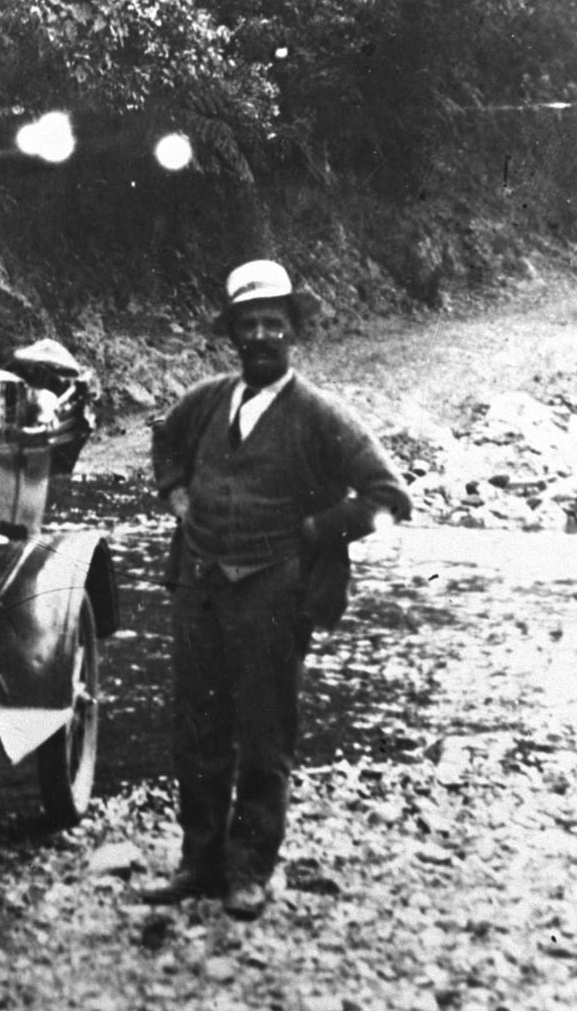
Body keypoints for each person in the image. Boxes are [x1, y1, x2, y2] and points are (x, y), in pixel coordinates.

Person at [143, 260, 412, 919]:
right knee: (196, 730)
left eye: (273, 323)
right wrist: (177, 494)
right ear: (233, 333)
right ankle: (198, 864)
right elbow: (164, 437)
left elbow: (390, 499)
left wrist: (315, 532)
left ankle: (250, 871)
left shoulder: (320, 415)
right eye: (248, 324)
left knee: (265, 737)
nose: (260, 335)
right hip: (200, 586)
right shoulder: (207, 399)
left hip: (273, 595)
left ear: (293, 332)